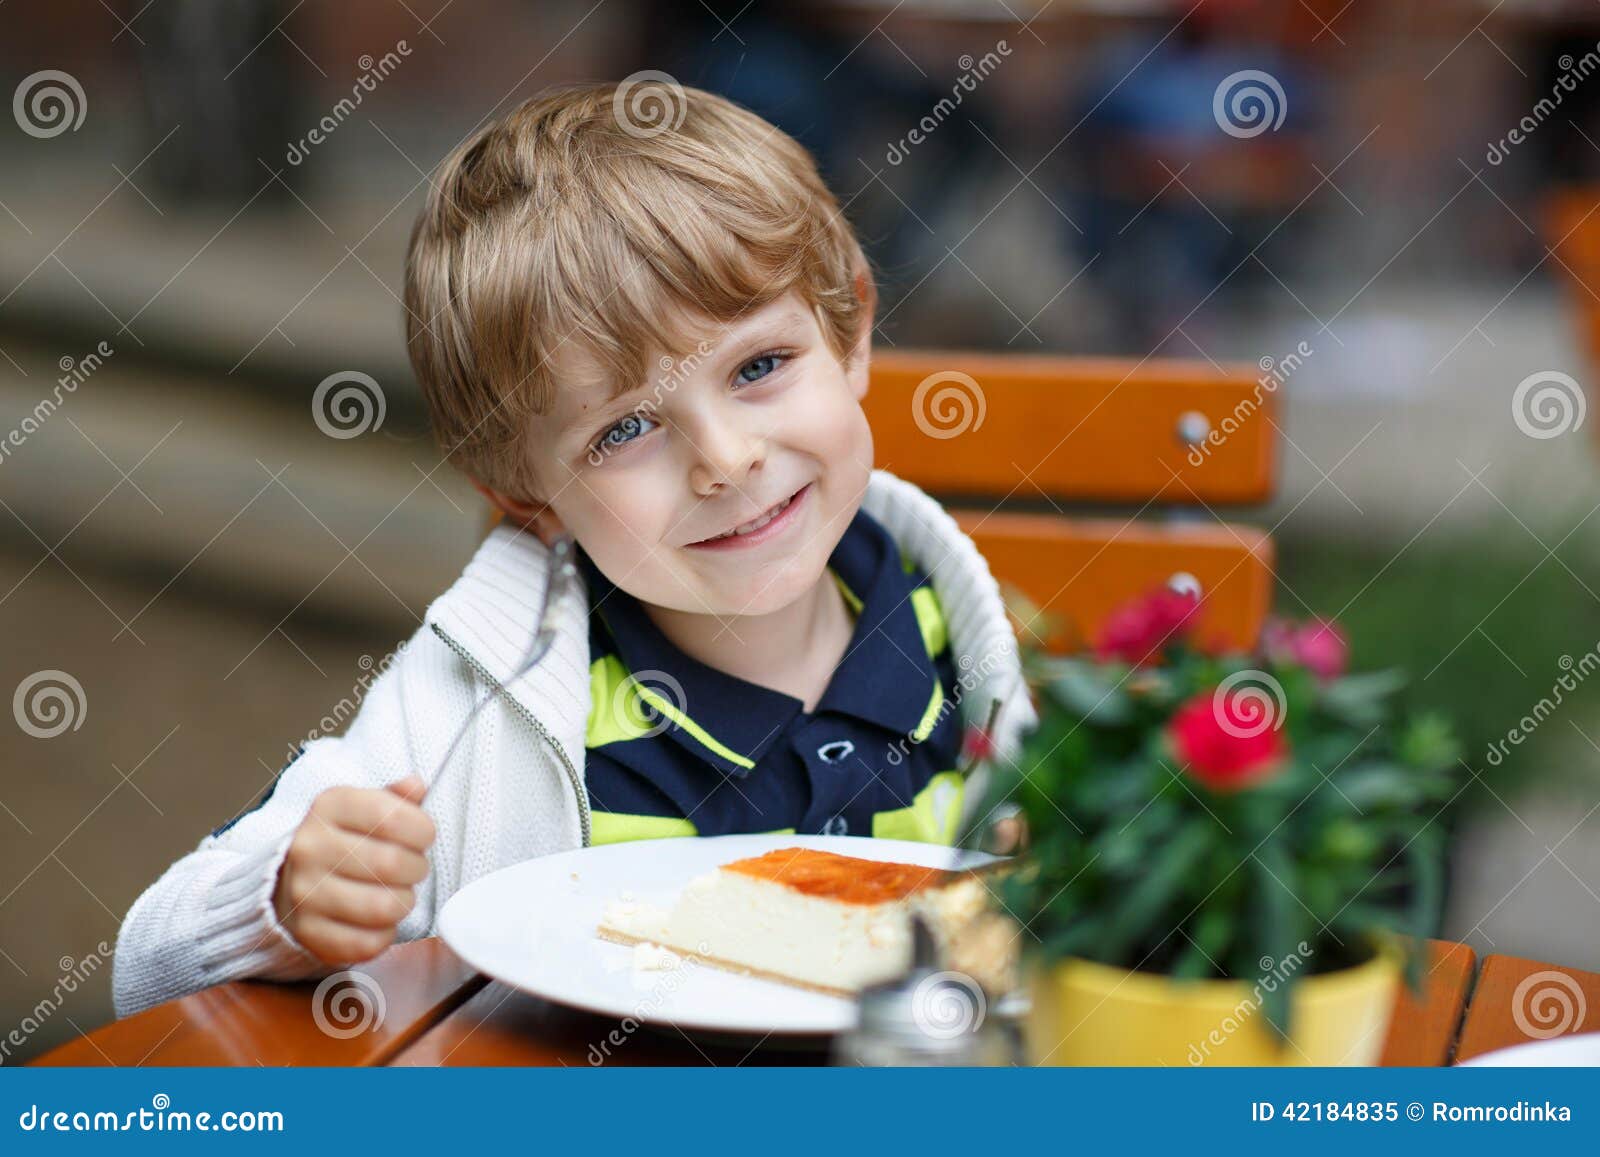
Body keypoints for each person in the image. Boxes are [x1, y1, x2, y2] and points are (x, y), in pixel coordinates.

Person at [111, 81, 1036, 1019]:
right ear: (526, 495)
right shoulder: (467, 715)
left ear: (850, 333)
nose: (724, 459)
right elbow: (150, 965)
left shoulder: (973, 657)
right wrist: (285, 902)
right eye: (627, 428)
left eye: (758, 367)